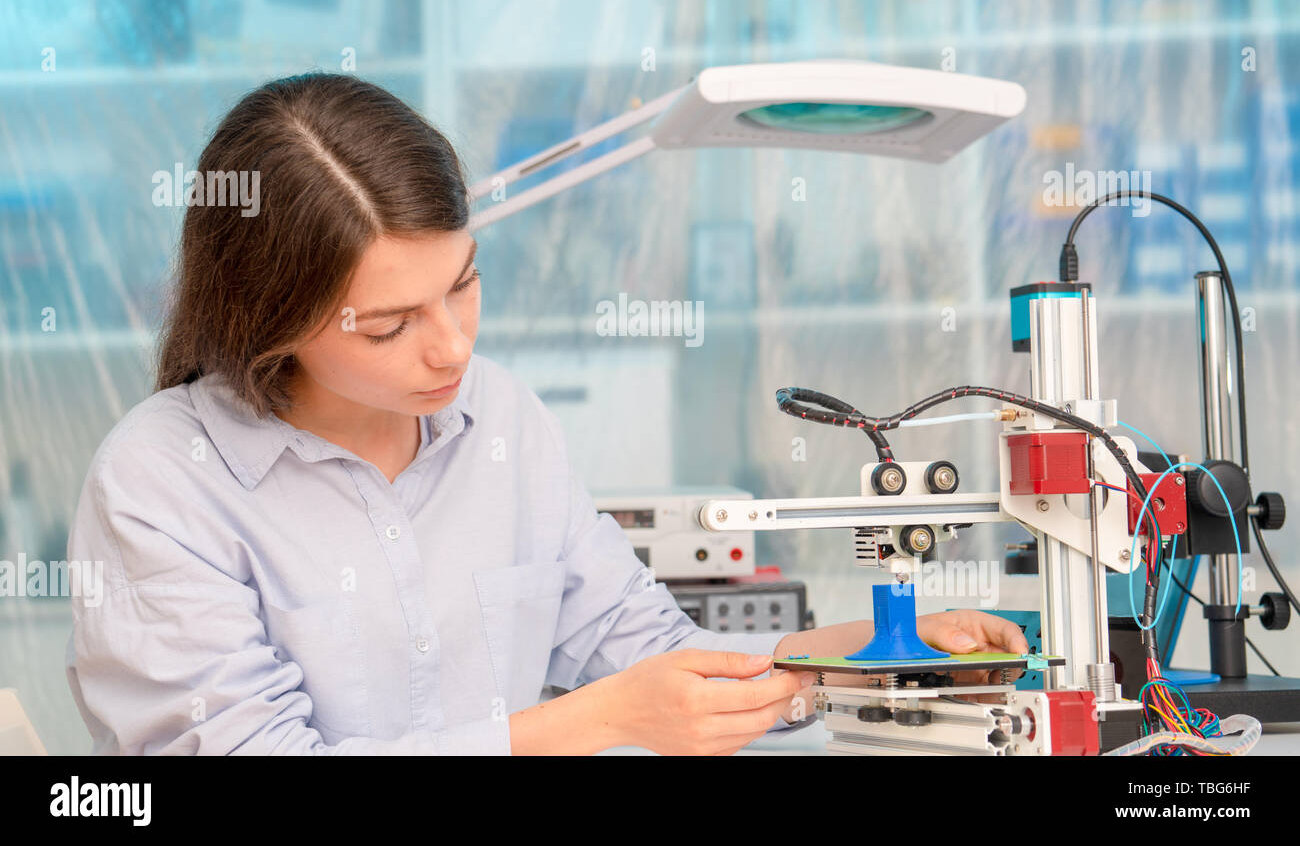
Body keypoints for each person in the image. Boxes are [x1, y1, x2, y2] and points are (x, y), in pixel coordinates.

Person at [65, 73, 1027, 755]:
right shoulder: (163, 482)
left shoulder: (501, 423)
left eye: (464, 284)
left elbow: (648, 650)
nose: (451, 346)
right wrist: (604, 720)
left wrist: (871, 655)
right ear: (271, 322)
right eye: (392, 325)